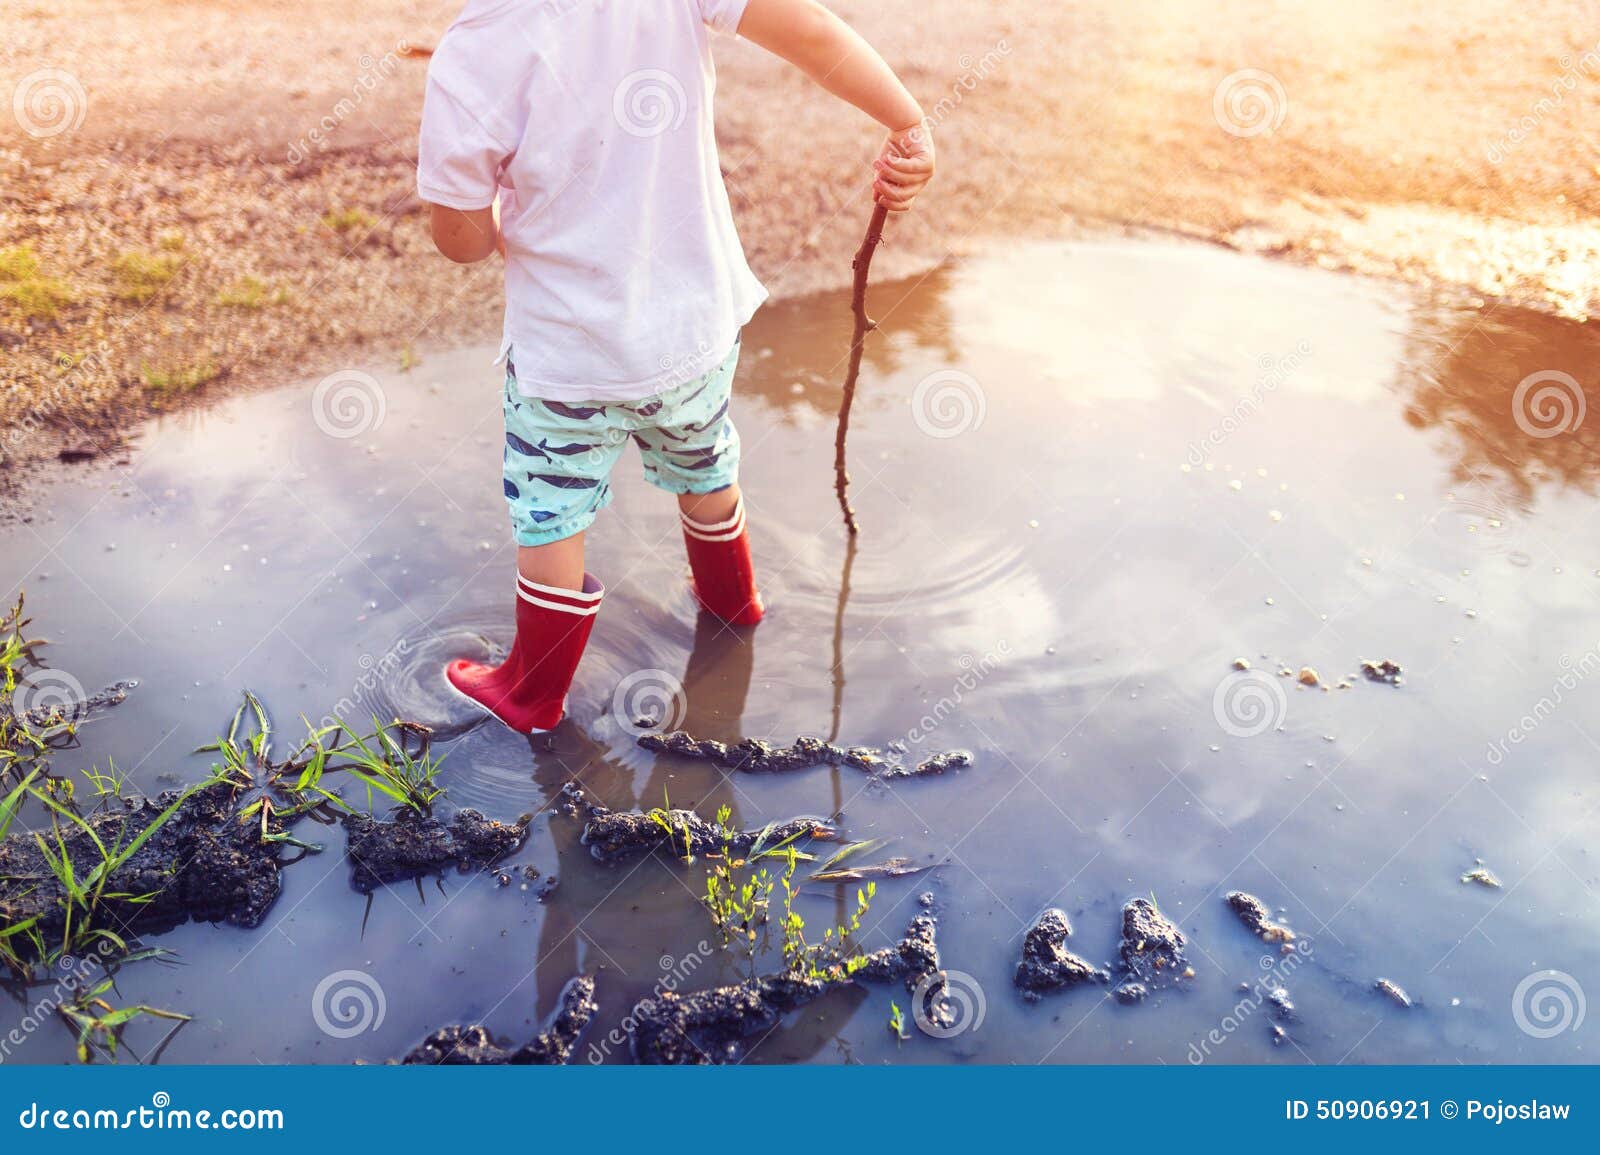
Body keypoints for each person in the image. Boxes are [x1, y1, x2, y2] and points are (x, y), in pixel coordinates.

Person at [417, 0, 934, 733]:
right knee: (704, 460)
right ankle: (733, 602)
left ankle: (532, 691)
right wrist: (909, 123)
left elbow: (461, 237)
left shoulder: (472, 48)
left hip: (566, 354)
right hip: (692, 326)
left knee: (552, 507)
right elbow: (812, 33)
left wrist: (502, 226)